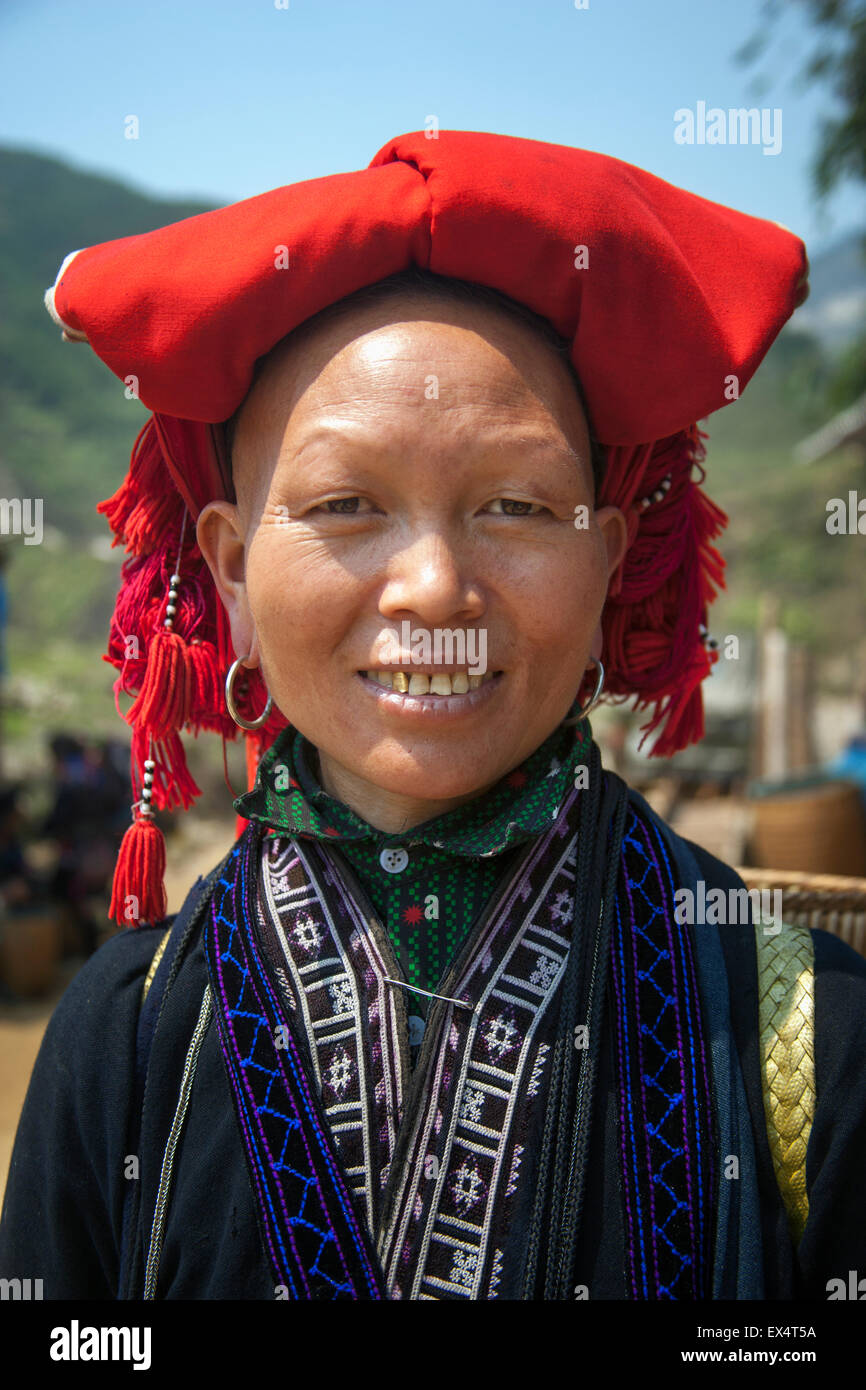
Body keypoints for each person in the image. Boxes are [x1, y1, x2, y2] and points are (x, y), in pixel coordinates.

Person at [1, 129, 864, 1302]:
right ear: (234, 570)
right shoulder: (129, 1038)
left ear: (606, 561)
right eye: (346, 503)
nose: (433, 589)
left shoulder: (801, 1030)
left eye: (512, 503)